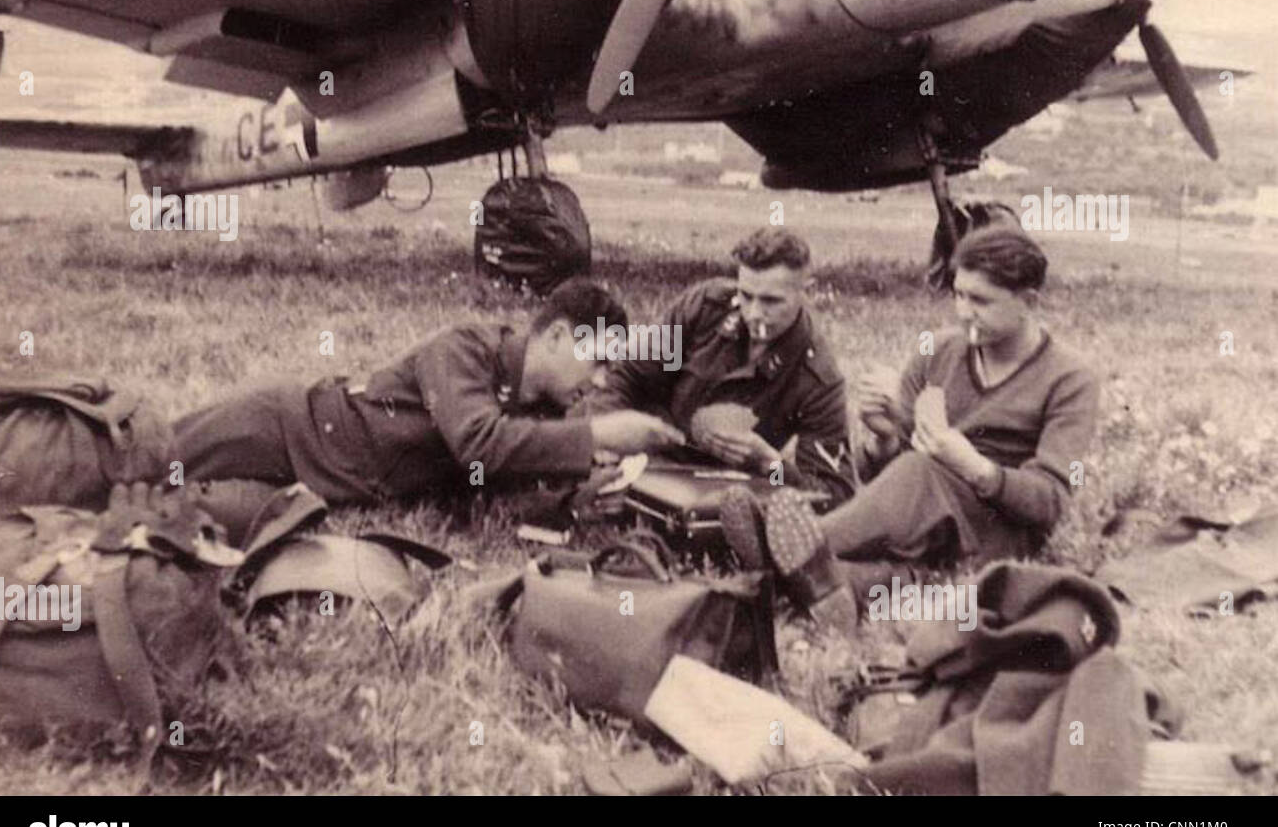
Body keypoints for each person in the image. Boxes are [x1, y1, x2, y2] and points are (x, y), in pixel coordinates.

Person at [721, 225, 1100, 626]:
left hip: (997, 531)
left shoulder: (1070, 378)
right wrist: (884, 440)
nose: (963, 311)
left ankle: (799, 543)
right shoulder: (938, 351)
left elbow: (1052, 500)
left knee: (921, 471)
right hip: (928, 534)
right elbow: (888, 485)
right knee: (889, 568)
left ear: (1028, 301)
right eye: (959, 294)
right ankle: (823, 583)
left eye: (981, 301)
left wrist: (974, 466)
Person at [174, 279, 684, 507]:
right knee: (141, 464)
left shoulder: (542, 410)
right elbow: (478, 444)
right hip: (287, 429)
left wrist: (586, 490)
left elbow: (505, 484)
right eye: (597, 361)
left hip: (321, 484)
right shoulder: (464, 347)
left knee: (187, 515)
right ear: (556, 336)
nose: (600, 381)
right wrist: (597, 434)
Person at [591, 228, 854, 503]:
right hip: (644, 454)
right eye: (746, 295)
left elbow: (831, 494)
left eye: (771, 301)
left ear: (805, 292)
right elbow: (628, 375)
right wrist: (605, 435)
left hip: (725, 488)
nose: (754, 313)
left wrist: (770, 464)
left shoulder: (818, 376)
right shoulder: (705, 308)